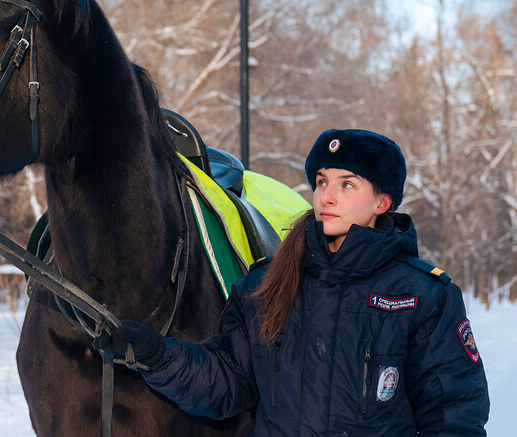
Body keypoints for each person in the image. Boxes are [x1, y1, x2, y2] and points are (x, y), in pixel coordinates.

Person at [95, 129, 490, 436]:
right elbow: (227, 379)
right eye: (321, 182)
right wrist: (156, 355)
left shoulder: (423, 296)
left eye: (347, 184)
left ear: (381, 203)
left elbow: (454, 418)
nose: (326, 197)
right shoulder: (266, 285)